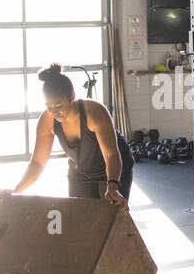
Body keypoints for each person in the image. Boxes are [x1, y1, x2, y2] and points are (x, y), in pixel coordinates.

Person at [9, 63, 132, 208]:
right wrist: (16, 192)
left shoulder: (94, 112)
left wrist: (112, 186)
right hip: (80, 171)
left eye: (59, 105)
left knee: (110, 216)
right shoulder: (47, 120)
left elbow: (111, 155)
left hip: (113, 167)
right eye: (49, 107)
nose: (54, 112)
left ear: (72, 96)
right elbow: (37, 163)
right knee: (79, 219)